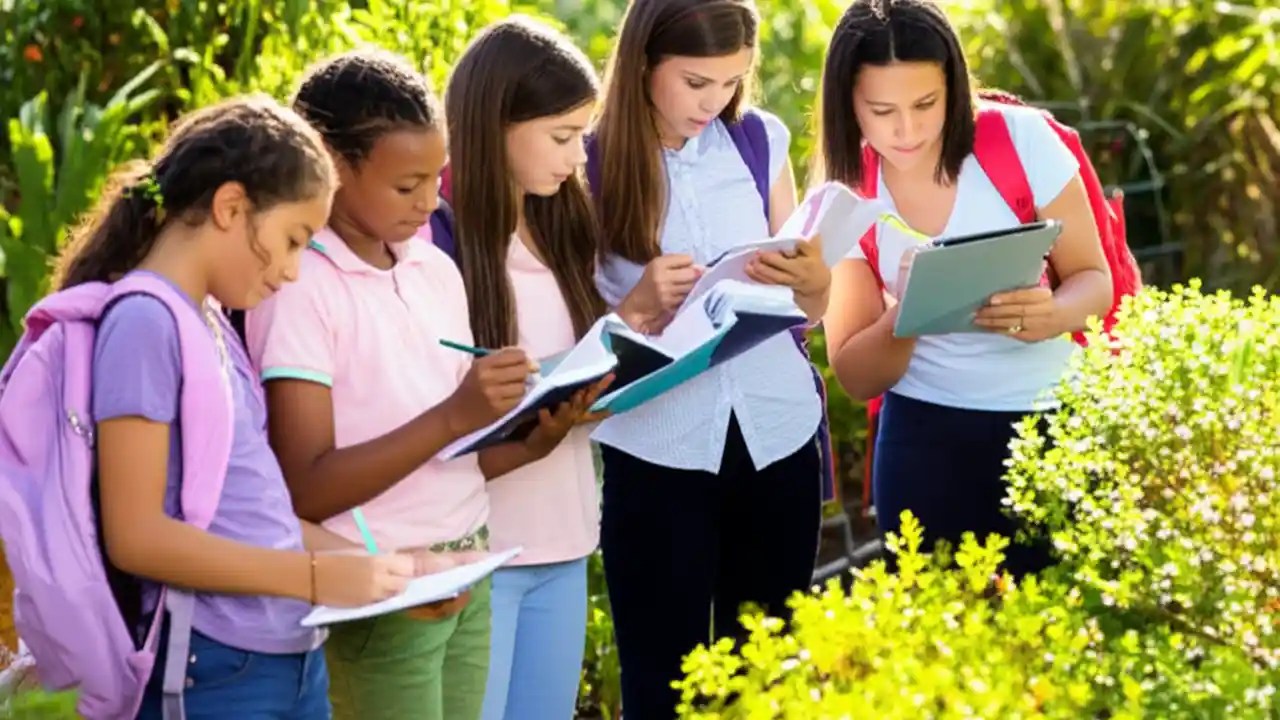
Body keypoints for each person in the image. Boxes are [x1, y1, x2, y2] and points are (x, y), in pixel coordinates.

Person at [52, 95, 434, 719]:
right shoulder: (146, 323)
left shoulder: (208, 319)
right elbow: (137, 536)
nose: (290, 272)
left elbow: (255, 514)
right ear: (231, 207)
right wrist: (313, 578)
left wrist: (387, 573)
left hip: (285, 654)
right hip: (216, 670)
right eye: (291, 242)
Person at [244, 49, 570, 720]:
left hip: (468, 571)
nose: (429, 201)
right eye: (406, 185)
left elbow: (453, 460)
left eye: (435, 178)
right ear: (333, 168)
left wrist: (534, 439)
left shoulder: (432, 271)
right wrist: (456, 414)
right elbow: (303, 483)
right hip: (380, 591)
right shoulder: (299, 287)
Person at [589, 0, 831, 716]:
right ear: (642, 62)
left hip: (776, 438)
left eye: (731, 82)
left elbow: (803, 314)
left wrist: (813, 284)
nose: (715, 101)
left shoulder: (758, 141)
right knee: (661, 682)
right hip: (658, 453)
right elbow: (566, 339)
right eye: (696, 82)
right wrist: (632, 304)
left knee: (768, 686)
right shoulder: (585, 160)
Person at [818, 0, 1112, 575]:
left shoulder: (1020, 140)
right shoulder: (848, 191)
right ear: (848, 104)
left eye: (927, 103)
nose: (907, 130)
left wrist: (1050, 313)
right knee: (940, 643)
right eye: (882, 110)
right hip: (924, 437)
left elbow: (1094, 281)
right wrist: (910, 309)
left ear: (954, 85)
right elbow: (855, 374)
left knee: (1059, 629)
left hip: (1048, 425)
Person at [443, 17, 611, 720]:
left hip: (565, 544)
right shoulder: (439, 240)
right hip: (479, 553)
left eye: (582, 136)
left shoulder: (560, 222)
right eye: (562, 136)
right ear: (496, 124)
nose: (578, 158)